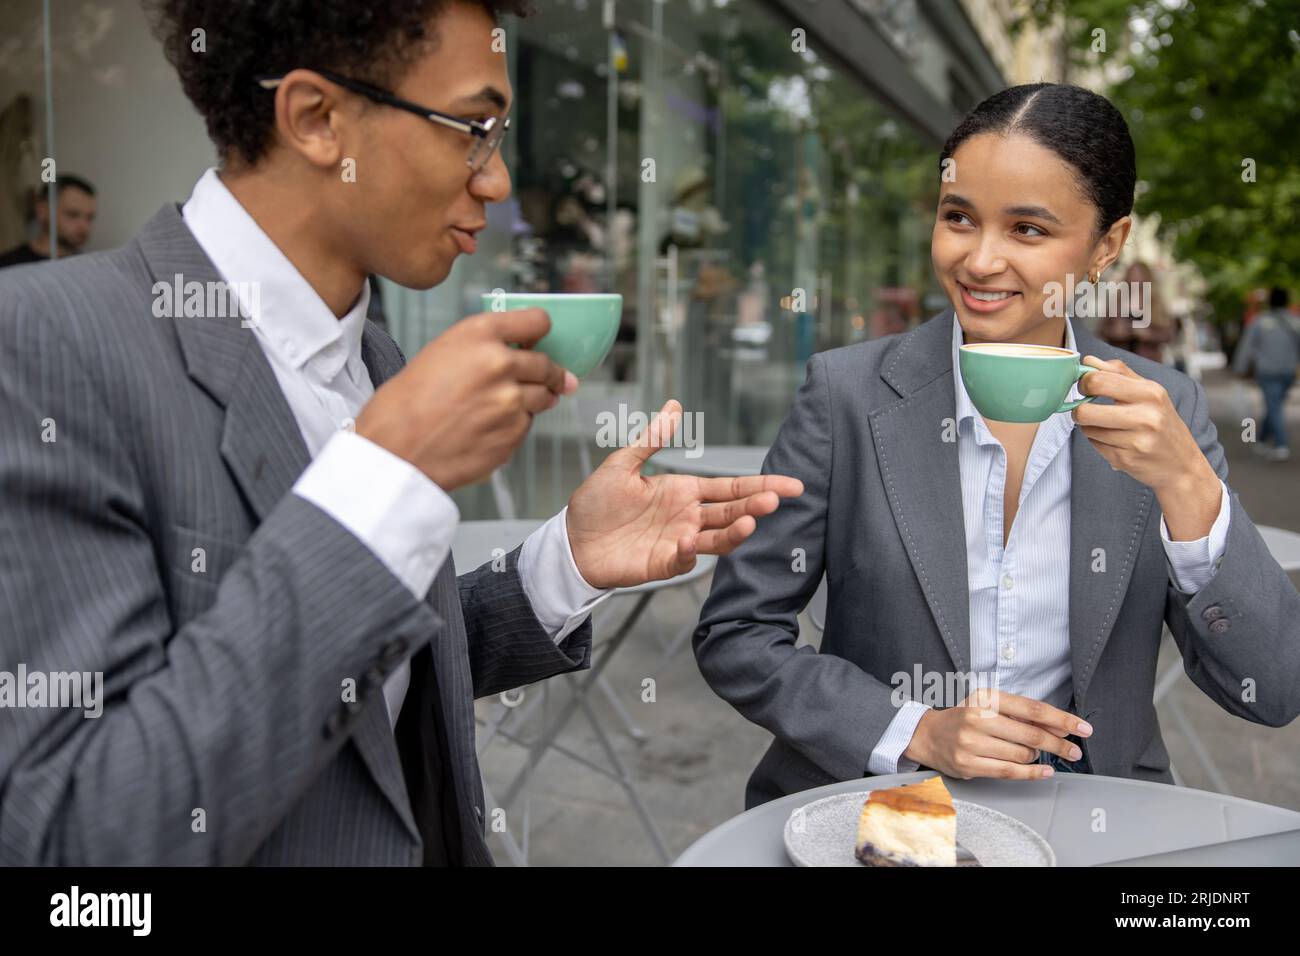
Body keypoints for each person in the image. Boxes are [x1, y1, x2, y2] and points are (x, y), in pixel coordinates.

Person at [0, 0, 802, 865]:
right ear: (317, 119)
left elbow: (380, 687)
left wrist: (565, 561)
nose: (497, 182)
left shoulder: (376, 356)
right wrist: (386, 477)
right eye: (474, 129)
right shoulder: (46, 344)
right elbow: (79, 839)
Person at [694, 83, 1300, 809]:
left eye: (1027, 230)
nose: (980, 261)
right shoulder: (844, 394)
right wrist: (913, 728)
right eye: (959, 218)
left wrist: (1189, 487)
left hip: (1094, 818)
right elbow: (737, 632)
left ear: (1107, 245)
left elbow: (1273, 688)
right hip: (875, 809)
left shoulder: (1164, 410)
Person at [1233, 286, 1300, 461]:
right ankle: (1262, 440)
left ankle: (1281, 444)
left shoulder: (1260, 321)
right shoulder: (1295, 321)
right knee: (1274, 405)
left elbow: (1247, 346)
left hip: (1267, 371)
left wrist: (1239, 368)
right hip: (1289, 371)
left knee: (1274, 406)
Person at [0, 174, 96, 267]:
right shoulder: (9, 266)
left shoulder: (89, 266)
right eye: (72, 215)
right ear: (42, 211)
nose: (84, 226)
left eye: (89, 217)